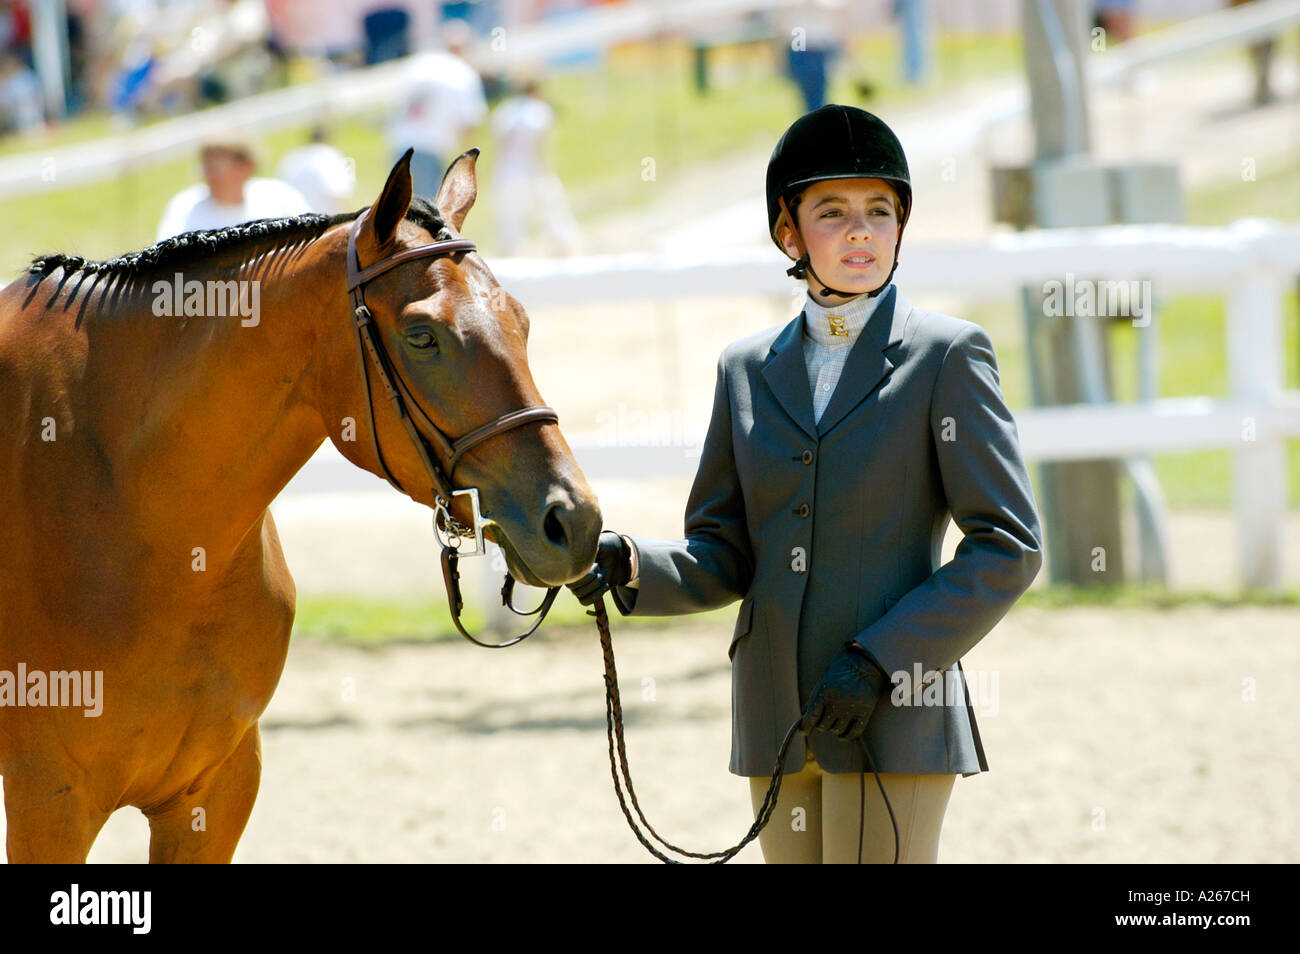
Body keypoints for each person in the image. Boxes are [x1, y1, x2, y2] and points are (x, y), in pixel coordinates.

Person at [569, 105, 1043, 864]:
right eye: (833, 213)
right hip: (776, 712)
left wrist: (881, 660)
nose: (861, 232)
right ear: (789, 233)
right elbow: (723, 551)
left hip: (890, 708)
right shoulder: (745, 369)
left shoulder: (948, 357)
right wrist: (628, 563)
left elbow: (1008, 548)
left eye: (879, 212)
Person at [386, 18, 486, 199]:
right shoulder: (462, 73)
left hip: (401, 143)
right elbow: (469, 121)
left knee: (399, 208)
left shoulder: (419, 63)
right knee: (427, 211)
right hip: (431, 146)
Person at [156, 132, 311, 240]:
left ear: (246, 166)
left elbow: (312, 239)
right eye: (206, 165)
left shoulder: (278, 196)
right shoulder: (185, 207)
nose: (208, 173)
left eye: (216, 165)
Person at [489, 76, 579, 256]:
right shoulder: (540, 111)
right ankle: (562, 247)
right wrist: (544, 167)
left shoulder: (505, 111)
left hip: (508, 170)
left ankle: (509, 252)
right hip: (533, 168)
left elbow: (499, 143)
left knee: (511, 216)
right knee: (552, 208)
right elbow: (542, 144)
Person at [276, 125, 356, 214]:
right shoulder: (330, 155)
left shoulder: (292, 157)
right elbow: (340, 194)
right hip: (324, 221)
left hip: (293, 220)